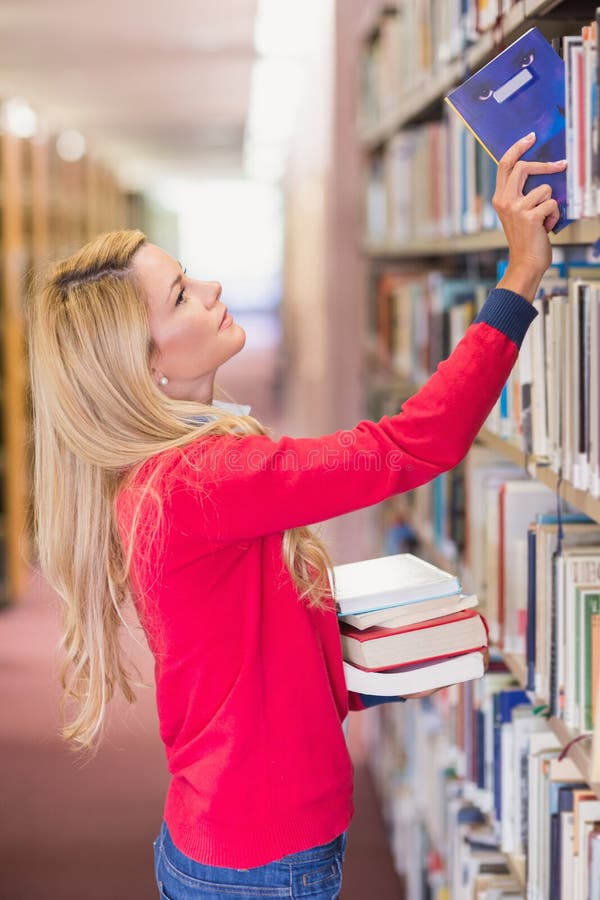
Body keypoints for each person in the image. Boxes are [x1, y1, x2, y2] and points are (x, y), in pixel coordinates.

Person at [27, 134, 565, 899]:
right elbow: (415, 444)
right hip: (260, 858)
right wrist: (519, 277)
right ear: (142, 363)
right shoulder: (198, 481)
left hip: (232, 834)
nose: (212, 289)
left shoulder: (161, 478)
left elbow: (236, 655)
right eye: (181, 295)